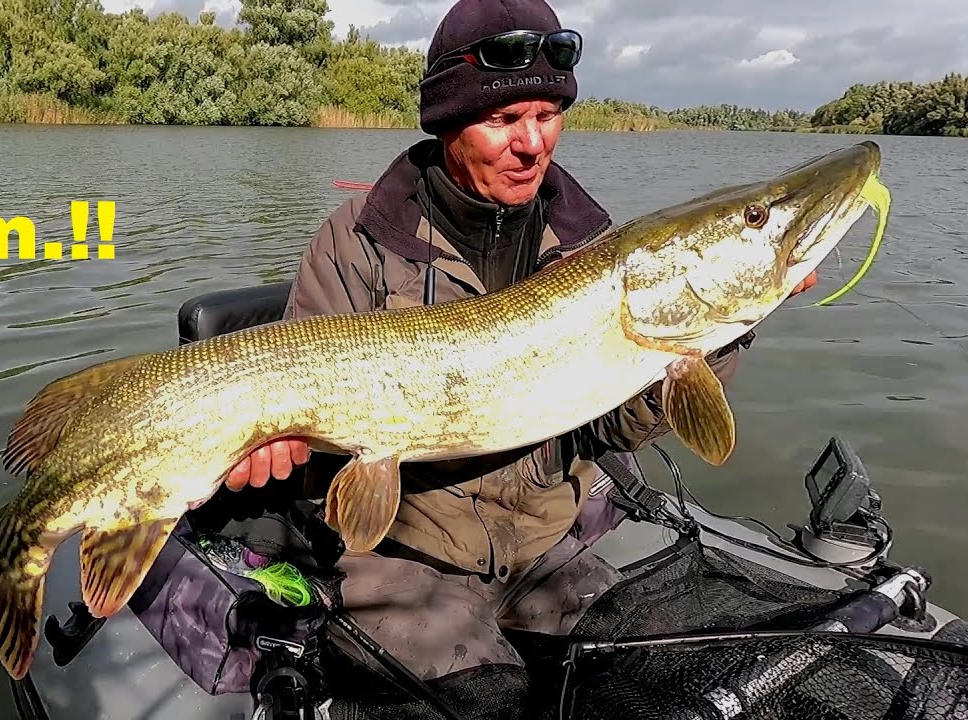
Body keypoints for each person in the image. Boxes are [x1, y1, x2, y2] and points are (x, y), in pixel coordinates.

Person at [223, 0, 817, 686]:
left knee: (660, 680)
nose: (533, 142)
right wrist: (273, 443)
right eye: (503, 120)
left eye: (547, 115)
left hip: (547, 551)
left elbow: (615, 428)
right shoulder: (355, 242)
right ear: (448, 122)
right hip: (400, 559)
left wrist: (718, 335)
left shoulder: (590, 245)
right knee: (479, 700)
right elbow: (300, 420)